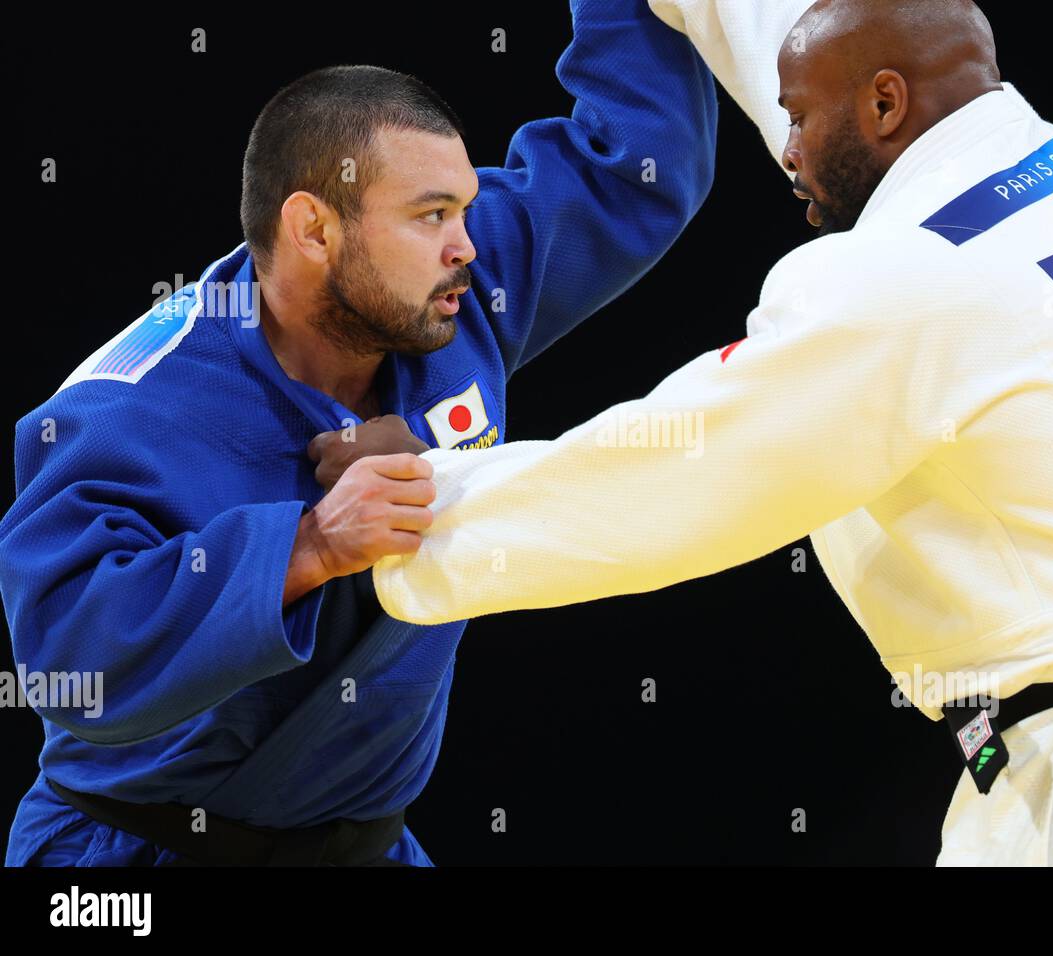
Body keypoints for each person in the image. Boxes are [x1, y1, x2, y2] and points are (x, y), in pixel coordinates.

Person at [321, 0, 1053, 865]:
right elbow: (821, 44)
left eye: (798, 120)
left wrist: (421, 502)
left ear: (882, 106)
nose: (785, 148)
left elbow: (686, 469)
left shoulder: (901, 279)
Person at [0, 0, 717, 866]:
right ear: (314, 229)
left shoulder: (453, 296)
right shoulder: (134, 408)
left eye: (466, 210)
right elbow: (64, 658)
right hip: (129, 858)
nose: (469, 247)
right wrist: (310, 546)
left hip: (366, 848)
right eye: (430, 216)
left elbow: (631, 167)